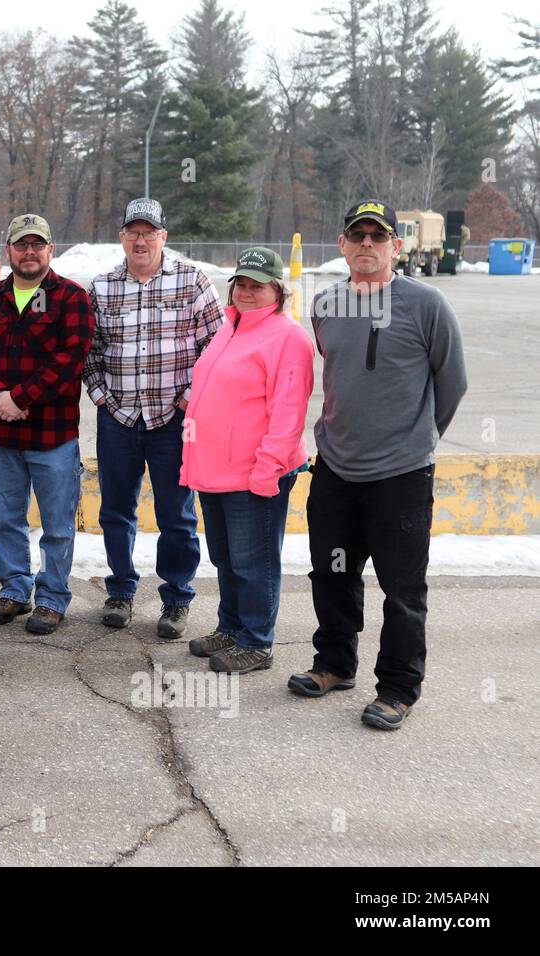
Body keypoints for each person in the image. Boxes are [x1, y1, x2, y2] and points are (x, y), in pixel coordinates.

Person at [289, 200, 467, 730]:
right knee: (333, 573)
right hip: (337, 470)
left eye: (378, 235)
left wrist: (419, 440)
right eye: (357, 234)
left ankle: (397, 687)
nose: (367, 243)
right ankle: (334, 665)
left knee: (402, 587)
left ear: (395, 245)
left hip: (402, 477)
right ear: (342, 245)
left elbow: (451, 381)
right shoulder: (325, 305)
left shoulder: (426, 304)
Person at [83, 197, 223, 639]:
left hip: (173, 421)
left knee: (176, 515)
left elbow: (218, 348)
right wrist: (101, 397)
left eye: (150, 232)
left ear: (164, 237)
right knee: (116, 511)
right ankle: (121, 591)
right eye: (133, 232)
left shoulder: (192, 281)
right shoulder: (102, 287)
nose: (140, 240)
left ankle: (177, 599)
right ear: (122, 237)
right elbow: (89, 351)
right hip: (118, 418)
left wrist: (188, 398)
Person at [180, 247, 315, 674]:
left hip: (255, 473)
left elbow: (288, 412)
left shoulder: (288, 337)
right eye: (241, 283)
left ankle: (257, 642)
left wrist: (267, 468)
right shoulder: (230, 327)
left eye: (258, 285)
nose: (247, 292)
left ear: (278, 290)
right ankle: (232, 626)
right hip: (215, 471)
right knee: (225, 556)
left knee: (254, 561)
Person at [0, 214, 93, 635]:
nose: (30, 251)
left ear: (50, 250)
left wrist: (20, 398)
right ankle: (14, 592)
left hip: (53, 436)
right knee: (3, 520)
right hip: (2, 435)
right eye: (22, 244)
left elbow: (69, 361)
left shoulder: (71, 298)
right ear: (9, 251)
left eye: (38, 244)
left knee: (56, 526)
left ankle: (52, 599)